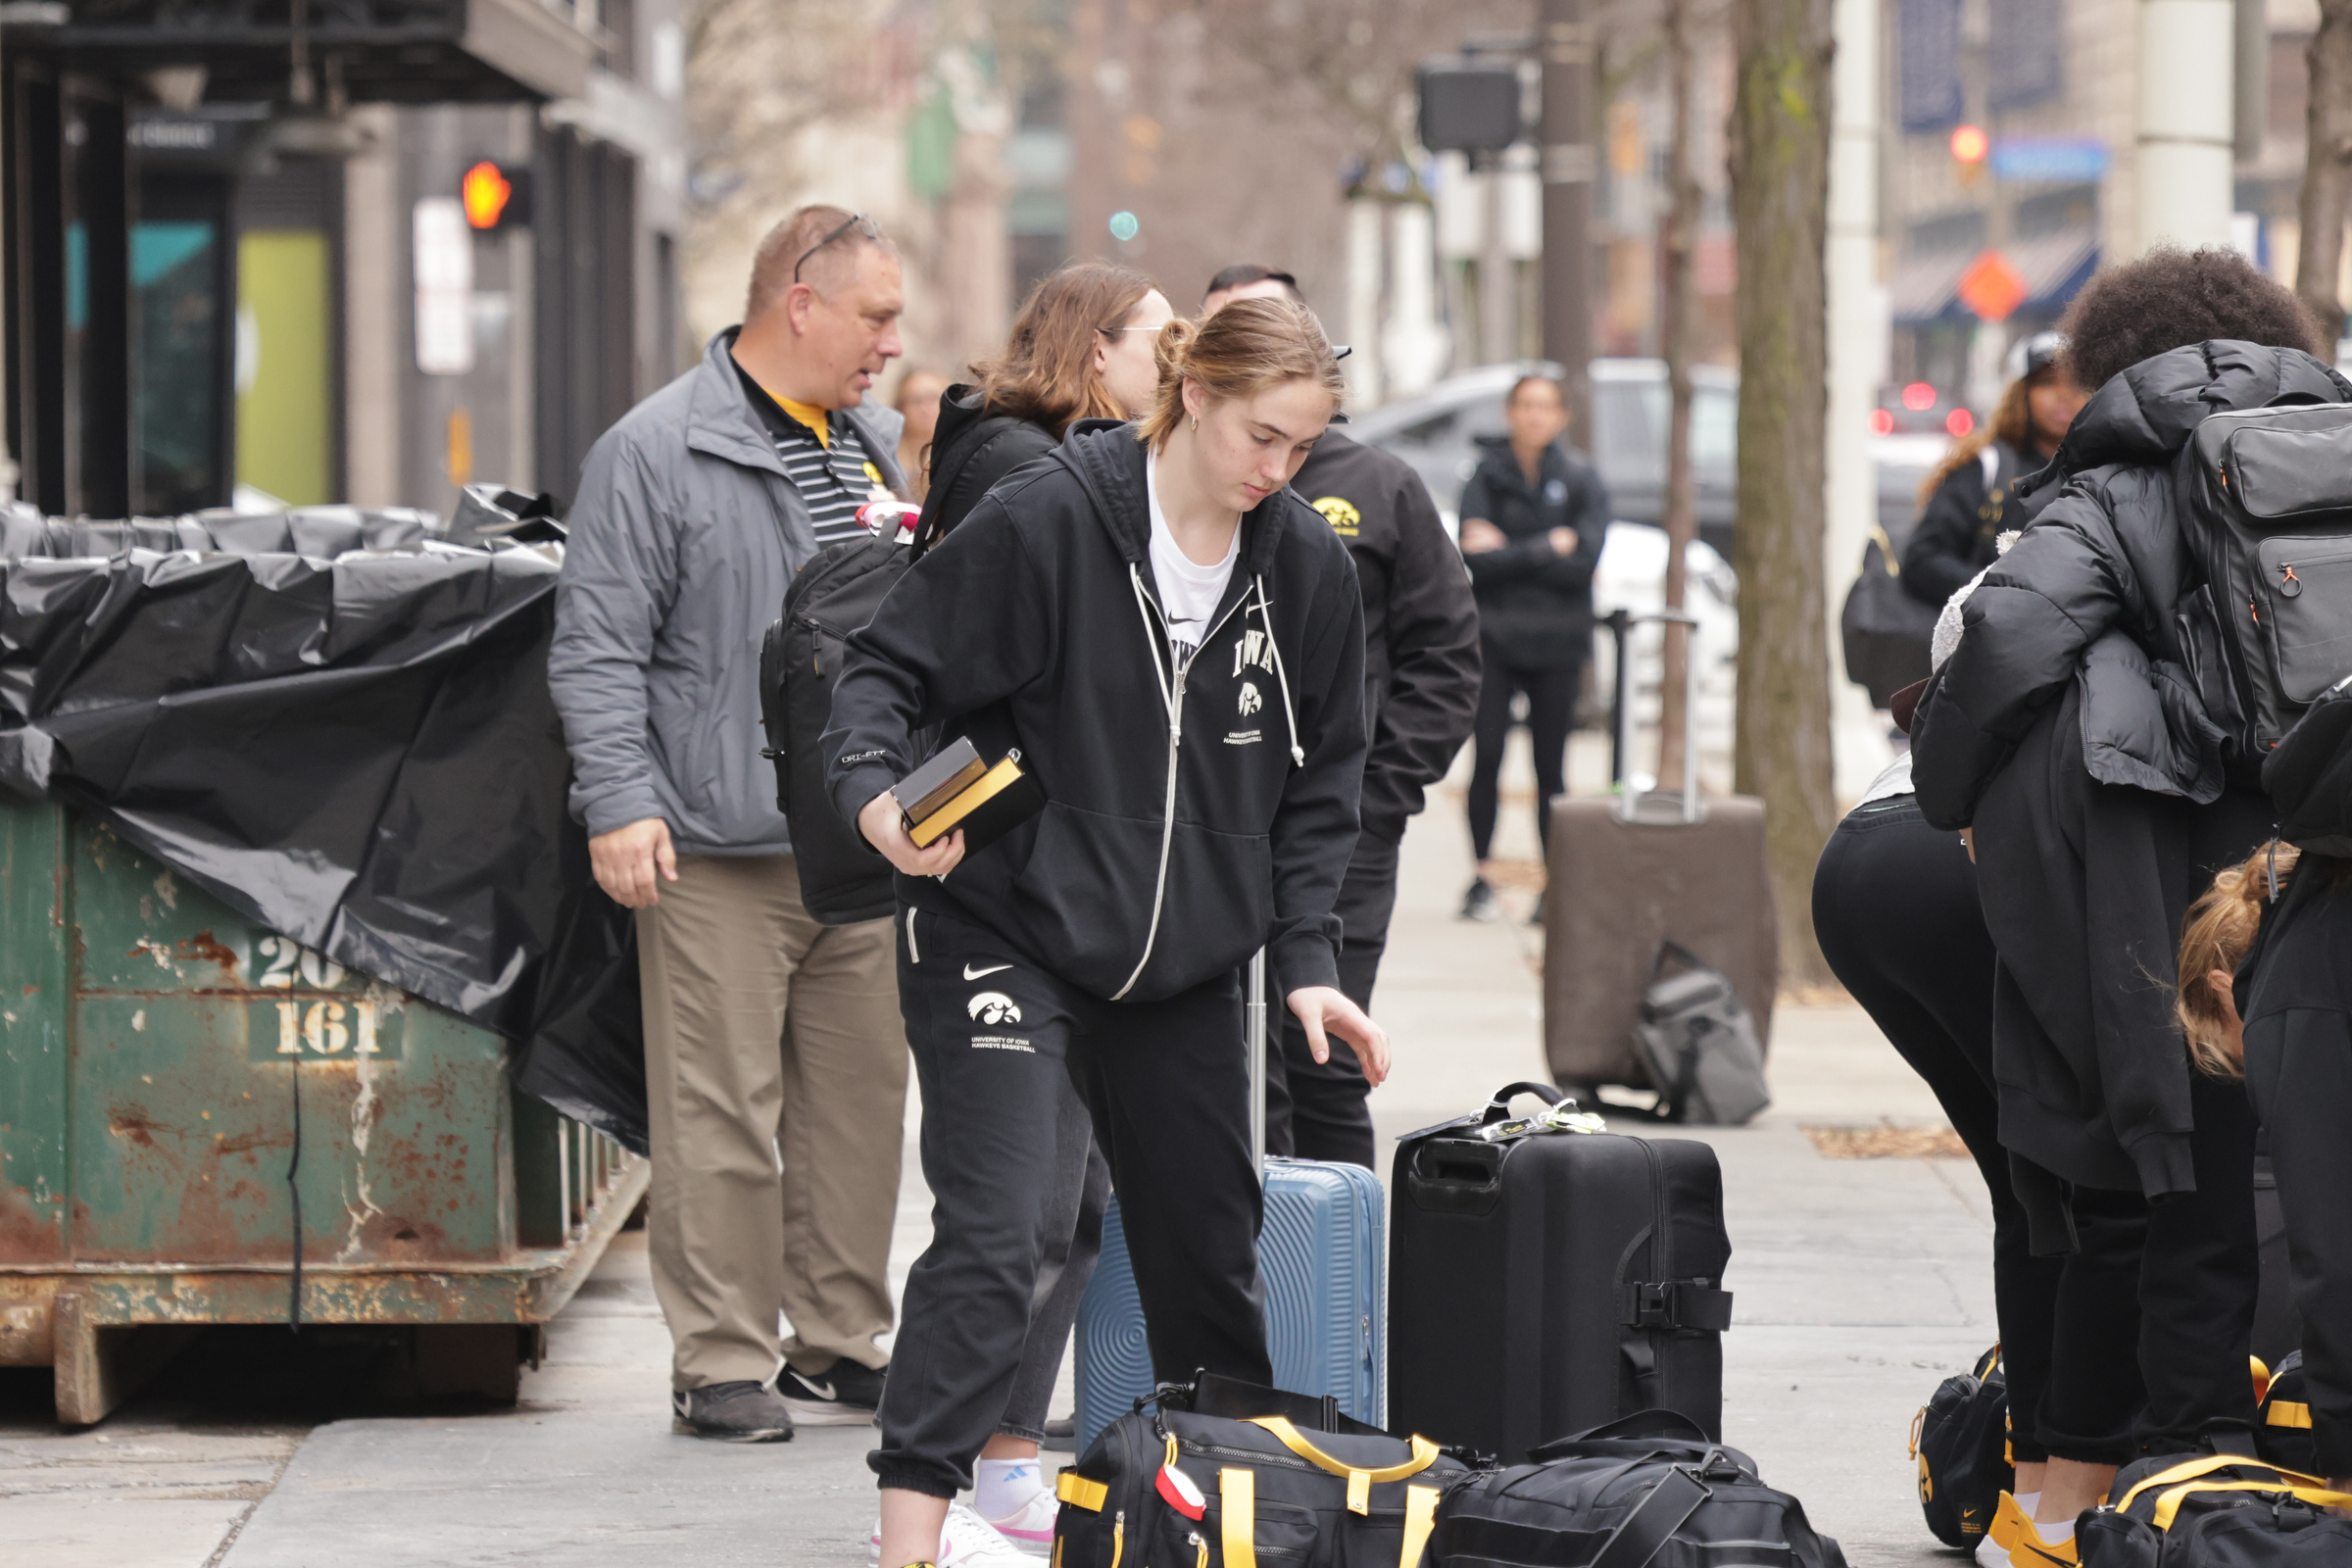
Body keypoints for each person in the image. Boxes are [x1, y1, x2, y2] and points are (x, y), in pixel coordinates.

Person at [824, 298, 1387, 1568]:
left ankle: (1231, 1520)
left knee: (1209, 1238)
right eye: (1262, 436)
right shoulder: (1051, 519)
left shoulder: (1303, 568)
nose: (1276, 471)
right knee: (1003, 1220)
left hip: (1179, 955)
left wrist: (1308, 963)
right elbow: (883, 670)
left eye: (1303, 448)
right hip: (1000, 919)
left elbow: (1323, 787)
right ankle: (907, 1535)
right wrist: (874, 800)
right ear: (1194, 396)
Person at [1909, 247, 2340, 1560]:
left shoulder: (2110, 485)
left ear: (2113, 363)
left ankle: (2184, 1469)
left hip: (2189, 866)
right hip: (2324, 845)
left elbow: (2009, 640)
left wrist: (1947, 789)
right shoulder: (2332, 445)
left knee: (2184, 1172)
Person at [547, 205, 914, 1443]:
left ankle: (837, 1341)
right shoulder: (653, 451)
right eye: (874, 316)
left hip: (859, 843)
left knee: (861, 1110)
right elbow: (596, 650)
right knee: (719, 1114)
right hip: (714, 845)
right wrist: (621, 803)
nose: (890, 341)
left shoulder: (868, 446)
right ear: (797, 302)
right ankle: (721, 1360)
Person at [890, 259, 1172, 1548]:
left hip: (1077, 888)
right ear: (1091, 349)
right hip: (1013, 889)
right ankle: (955, 1475)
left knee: (1077, 1203)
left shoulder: (1044, 460)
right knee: (1019, 1212)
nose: (1171, 365)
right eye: (1156, 342)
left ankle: (1001, 1457)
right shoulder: (1026, 474)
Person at [1202, 263, 1481, 1168]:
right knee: (1214, 1071)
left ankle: (1330, 1286)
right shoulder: (1168, 487)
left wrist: (1383, 790)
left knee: (1320, 1053)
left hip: (1340, 829)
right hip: (1203, 827)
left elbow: (1446, 654)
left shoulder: (1382, 486)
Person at [1812, 572, 2063, 1568]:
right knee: (2067, 1183)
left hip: (1872, 847)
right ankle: (2048, 1489)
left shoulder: (2038, 541)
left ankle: (2034, 1480)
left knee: (2029, 1182)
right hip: (1964, 853)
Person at [1456, 372, 1607, 922]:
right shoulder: (1485, 475)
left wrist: (1512, 552)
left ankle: (1554, 884)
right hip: (1493, 639)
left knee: (1551, 768)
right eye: (1525, 405)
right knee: (1488, 757)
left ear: (1562, 416)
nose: (1535, 416)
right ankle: (1480, 879)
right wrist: (1548, 545)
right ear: (1510, 412)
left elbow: (1583, 565)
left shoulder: (1582, 477)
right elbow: (1475, 561)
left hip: (1558, 644)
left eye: (1546, 406)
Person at [917, 261, 1173, 546]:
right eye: (1163, 340)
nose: (1176, 360)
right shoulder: (1023, 459)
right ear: (1098, 349)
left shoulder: (1055, 447)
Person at [1901, 331, 2089, 608]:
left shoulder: (2110, 471)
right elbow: (1922, 561)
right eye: (2046, 382)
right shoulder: (1986, 467)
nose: (2064, 395)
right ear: (2019, 393)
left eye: (2077, 382)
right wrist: (1999, 593)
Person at [894, 367, 951, 500]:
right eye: (916, 400)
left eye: (932, 398)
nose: (925, 408)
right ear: (901, 408)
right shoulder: (891, 457)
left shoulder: (962, 451)